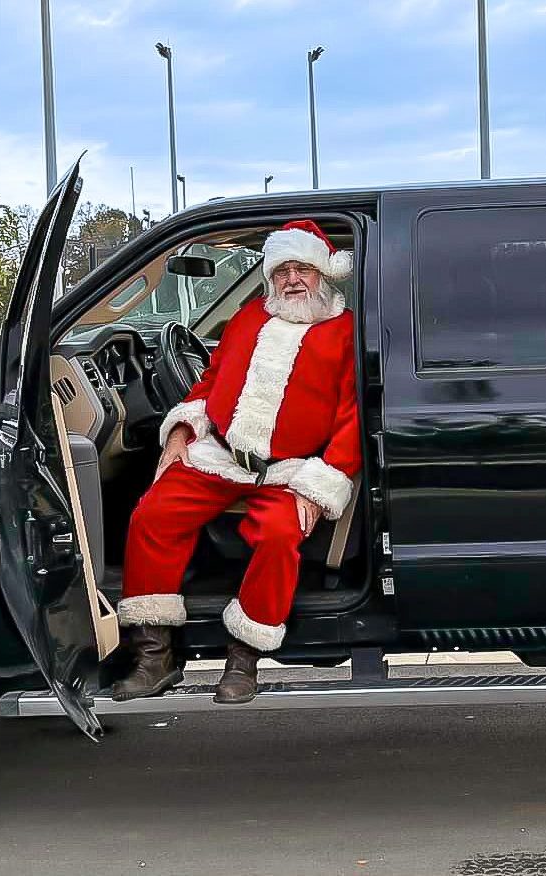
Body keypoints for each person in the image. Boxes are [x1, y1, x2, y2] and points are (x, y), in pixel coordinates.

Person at [111, 220, 360, 703]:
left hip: (290, 471)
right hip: (219, 457)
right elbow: (210, 384)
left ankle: (244, 659)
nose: (292, 280)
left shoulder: (345, 333)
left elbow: (351, 419)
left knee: (278, 536)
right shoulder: (248, 318)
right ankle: (154, 657)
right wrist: (182, 430)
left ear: (323, 275)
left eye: (302, 270)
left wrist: (317, 485)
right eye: (283, 270)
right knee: (151, 517)